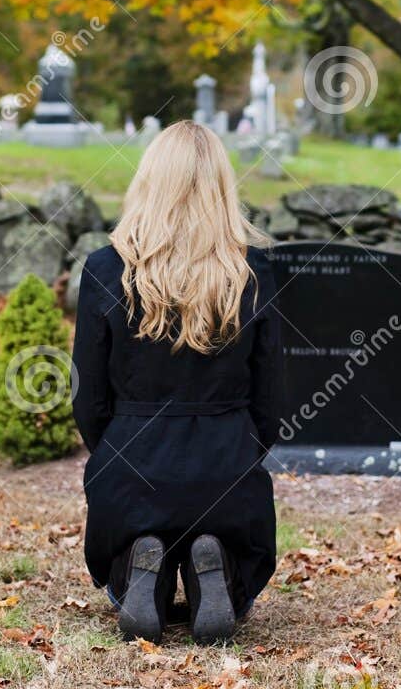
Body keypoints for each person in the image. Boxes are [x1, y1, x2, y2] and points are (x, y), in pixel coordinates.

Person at [71, 120, 281, 643]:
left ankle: (145, 566)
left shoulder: (104, 269)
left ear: (149, 181)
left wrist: (115, 446)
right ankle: (214, 563)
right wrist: (245, 445)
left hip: (131, 460)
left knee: (130, 543)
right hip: (227, 461)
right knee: (235, 557)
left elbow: (87, 396)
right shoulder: (253, 272)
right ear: (221, 188)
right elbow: (274, 396)